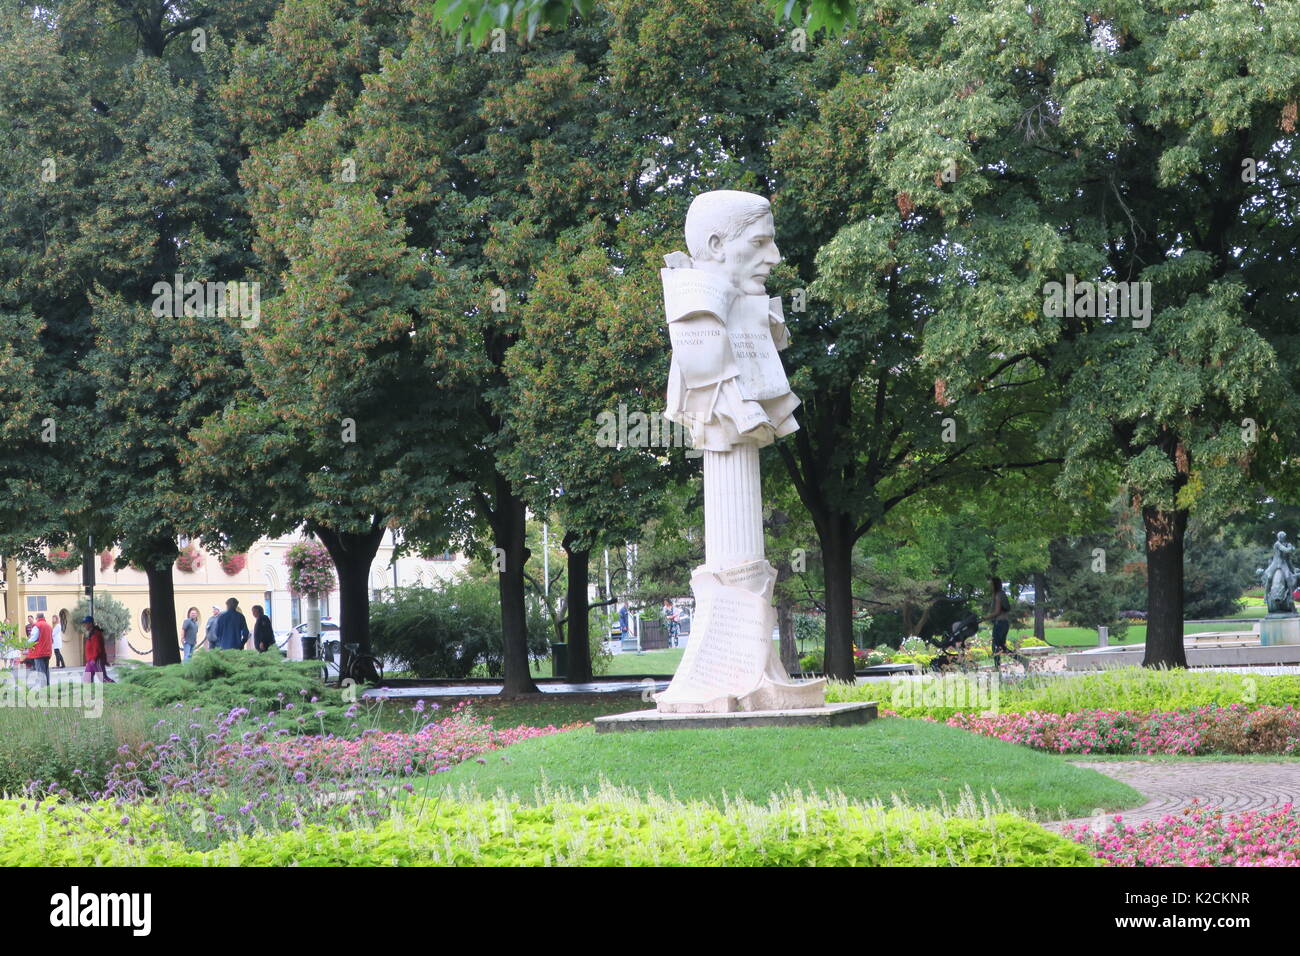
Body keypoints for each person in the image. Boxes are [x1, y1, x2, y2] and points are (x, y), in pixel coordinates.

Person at [986, 577, 1011, 668]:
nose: (990, 586)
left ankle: (997, 667)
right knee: (1002, 647)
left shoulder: (997, 595)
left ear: (994, 585)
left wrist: (985, 618)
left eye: (991, 584)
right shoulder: (1003, 594)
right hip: (1005, 623)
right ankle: (1021, 659)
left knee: (995, 647)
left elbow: (996, 612)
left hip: (999, 623)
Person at [24, 613, 53, 686]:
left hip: (39, 652)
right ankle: (47, 687)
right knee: (46, 671)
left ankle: (43, 689)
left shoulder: (37, 626)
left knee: (40, 672)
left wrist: (25, 645)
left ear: (37, 618)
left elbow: (33, 638)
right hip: (47, 652)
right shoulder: (49, 626)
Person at [82, 616, 113, 683]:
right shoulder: (91, 633)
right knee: (87, 680)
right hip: (90, 661)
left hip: (96, 660)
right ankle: (90, 693)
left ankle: (119, 690)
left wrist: (94, 659)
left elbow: (97, 648)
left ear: (90, 624)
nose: (84, 625)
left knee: (104, 679)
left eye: (85, 623)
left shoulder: (96, 634)